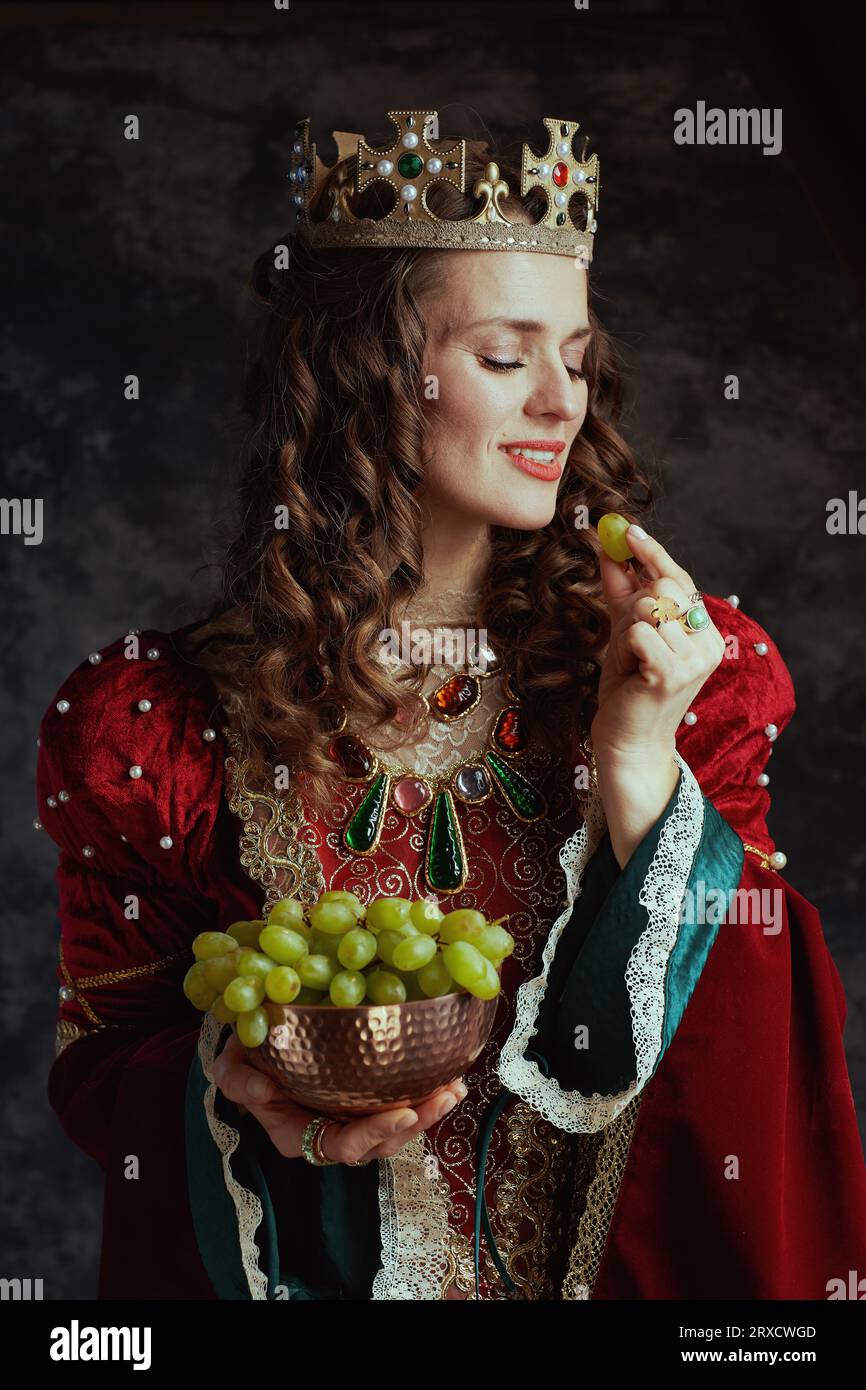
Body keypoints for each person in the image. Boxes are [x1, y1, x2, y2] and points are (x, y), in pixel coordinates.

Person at [37, 110, 866, 1301]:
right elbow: (102, 1071)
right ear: (370, 371)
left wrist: (639, 771)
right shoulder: (149, 725)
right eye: (503, 355)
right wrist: (234, 1083)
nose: (558, 402)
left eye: (574, 358)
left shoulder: (691, 676)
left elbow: (755, 1056)